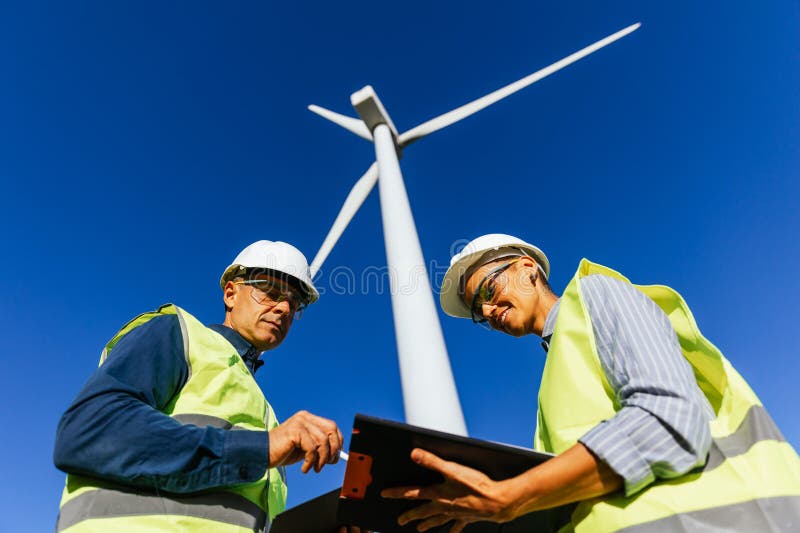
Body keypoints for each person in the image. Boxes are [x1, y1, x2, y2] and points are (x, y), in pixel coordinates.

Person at [382, 233, 800, 532]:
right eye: (478, 310)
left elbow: (670, 418)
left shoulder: (596, 294)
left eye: (489, 289)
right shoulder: (555, 379)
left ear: (528, 269)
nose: (488, 310)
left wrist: (514, 494)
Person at [54, 240, 359, 532]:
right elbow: (90, 431)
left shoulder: (265, 416)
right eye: (270, 292)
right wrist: (262, 449)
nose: (284, 309)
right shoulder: (178, 334)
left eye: (294, 303)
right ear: (230, 294)